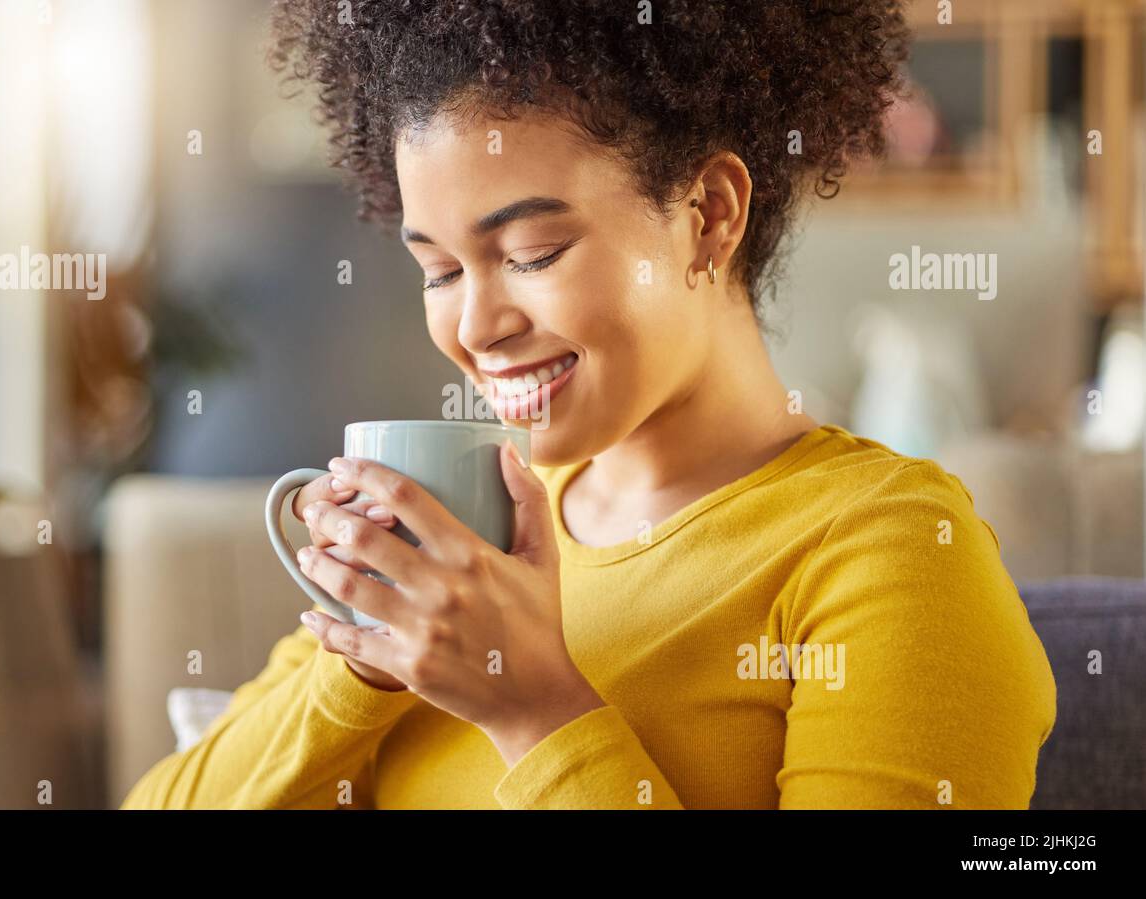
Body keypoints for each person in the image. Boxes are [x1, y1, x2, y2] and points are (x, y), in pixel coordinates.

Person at [121, 0, 1056, 809]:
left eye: (530, 253)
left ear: (709, 214)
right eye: (438, 270)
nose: (476, 325)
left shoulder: (889, 552)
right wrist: (363, 662)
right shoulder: (473, 527)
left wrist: (537, 713)